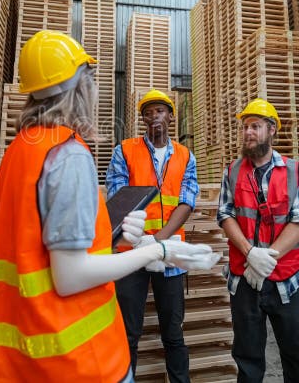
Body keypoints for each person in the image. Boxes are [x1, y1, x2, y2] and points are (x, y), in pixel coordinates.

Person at [0, 32, 216, 382]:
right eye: (89, 77)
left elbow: (42, 244)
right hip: (79, 357)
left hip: (27, 355)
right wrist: (155, 250)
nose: (94, 86)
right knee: (132, 327)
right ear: (77, 85)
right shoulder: (67, 153)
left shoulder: (20, 151)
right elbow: (70, 275)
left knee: (173, 333)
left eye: (161, 111)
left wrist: (125, 238)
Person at [217, 98, 299, 383]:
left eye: (256, 126)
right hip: (245, 281)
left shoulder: (294, 171)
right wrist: (250, 254)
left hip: (287, 281)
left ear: (272, 130)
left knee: (297, 357)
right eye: (245, 126)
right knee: (247, 361)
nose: (248, 132)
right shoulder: (232, 172)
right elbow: (225, 214)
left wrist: (266, 258)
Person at [106, 89, 200, 383]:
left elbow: (187, 200)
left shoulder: (185, 156)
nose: (153, 116)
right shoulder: (124, 150)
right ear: (142, 119)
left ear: (171, 116)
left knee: (173, 333)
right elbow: (117, 198)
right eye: (148, 112)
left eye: (160, 110)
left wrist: (158, 240)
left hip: (168, 253)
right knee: (128, 333)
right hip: (131, 255)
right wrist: (138, 242)